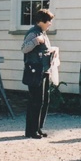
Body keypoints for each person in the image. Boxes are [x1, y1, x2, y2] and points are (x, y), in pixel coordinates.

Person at [22, 8, 57, 139]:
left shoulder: (42, 32)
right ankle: (31, 131)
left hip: (43, 70)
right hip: (35, 71)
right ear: (41, 21)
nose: (50, 23)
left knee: (43, 101)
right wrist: (37, 41)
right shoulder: (34, 33)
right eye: (48, 21)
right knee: (35, 101)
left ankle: (38, 128)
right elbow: (24, 49)